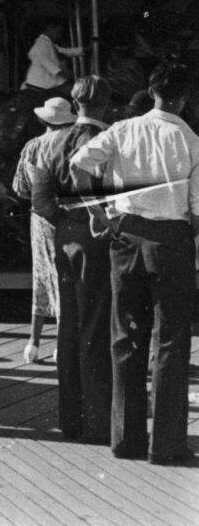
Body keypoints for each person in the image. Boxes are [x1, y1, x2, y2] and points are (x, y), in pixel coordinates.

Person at [70, 62, 199, 465]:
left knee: (125, 335)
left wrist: (97, 211)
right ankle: (166, 445)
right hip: (172, 239)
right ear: (184, 97)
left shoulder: (123, 130)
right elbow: (197, 210)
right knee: (171, 340)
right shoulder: (191, 141)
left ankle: (125, 440)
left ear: (153, 91)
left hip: (125, 237)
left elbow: (78, 164)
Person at [28, 76, 113, 444]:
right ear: (106, 104)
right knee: (97, 325)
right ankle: (97, 420)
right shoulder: (107, 139)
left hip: (64, 234)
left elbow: (40, 200)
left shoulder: (52, 142)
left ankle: (71, 418)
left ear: (75, 104)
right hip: (97, 234)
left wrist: (63, 221)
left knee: (69, 324)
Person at [12, 96, 76, 363]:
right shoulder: (72, 145)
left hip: (40, 219)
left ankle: (33, 343)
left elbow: (20, 188)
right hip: (68, 216)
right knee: (66, 278)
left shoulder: (33, 146)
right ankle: (63, 344)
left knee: (42, 277)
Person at [21, 21, 85, 99]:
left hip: (48, 79)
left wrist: (83, 50)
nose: (59, 35)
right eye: (58, 32)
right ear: (49, 29)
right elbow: (47, 63)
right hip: (43, 82)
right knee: (78, 93)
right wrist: (62, 73)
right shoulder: (40, 45)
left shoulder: (47, 43)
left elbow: (62, 51)